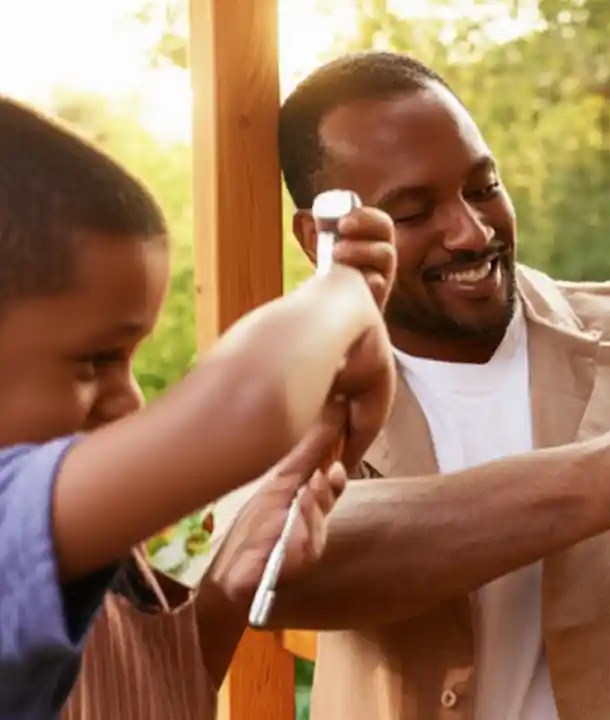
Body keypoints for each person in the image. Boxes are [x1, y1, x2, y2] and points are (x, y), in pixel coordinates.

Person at [209, 50, 610, 720]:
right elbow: (271, 562)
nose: (471, 230)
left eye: (482, 187)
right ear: (320, 236)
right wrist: (606, 475)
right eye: (413, 210)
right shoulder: (300, 391)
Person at [0, 96, 396, 719]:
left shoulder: (81, 543)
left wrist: (231, 585)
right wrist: (341, 296)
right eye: (94, 361)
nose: (130, 396)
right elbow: (248, 403)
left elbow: (136, 697)